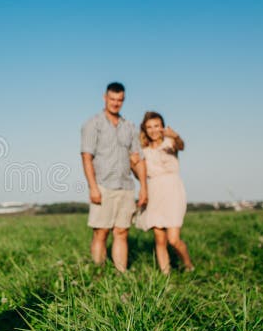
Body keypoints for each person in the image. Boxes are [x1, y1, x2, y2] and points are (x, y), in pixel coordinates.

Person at [80, 82, 147, 272]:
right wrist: (93, 187)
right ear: (105, 98)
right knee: (101, 232)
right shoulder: (93, 124)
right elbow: (86, 157)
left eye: (120, 100)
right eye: (112, 99)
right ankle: (98, 273)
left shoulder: (130, 127)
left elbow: (137, 159)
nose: (116, 103)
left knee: (122, 232)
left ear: (123, 100)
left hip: (125, 186)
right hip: (103, 185)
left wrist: (144, 187)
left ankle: (121, 274)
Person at [136, 111, 195, 274]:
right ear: (145, 129)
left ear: (162, 127)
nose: (153, 130)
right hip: (154, 190)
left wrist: (175, 135)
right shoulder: (143, 150)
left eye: (156, 126)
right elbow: (137, 169)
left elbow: (181, 145)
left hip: (172, 190)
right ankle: (165, 274)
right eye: (149, 127)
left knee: (173, 239)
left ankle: (189, 266)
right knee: (159, 238)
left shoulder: (170, 142)